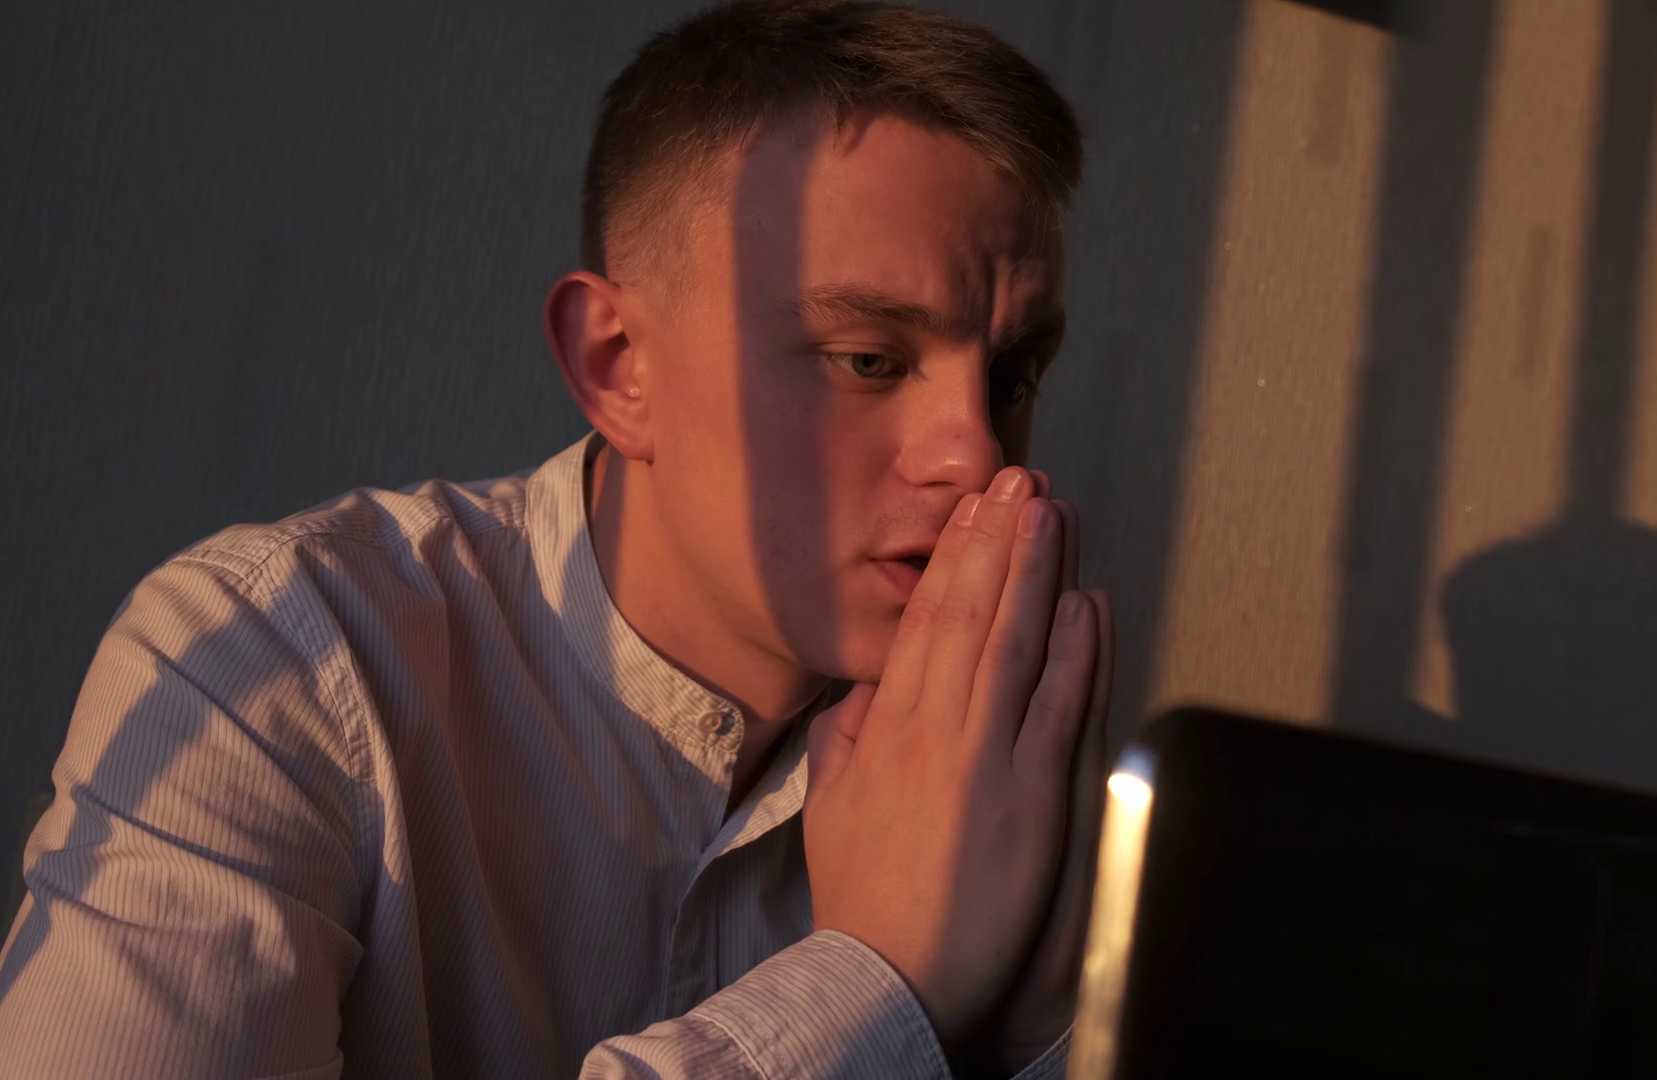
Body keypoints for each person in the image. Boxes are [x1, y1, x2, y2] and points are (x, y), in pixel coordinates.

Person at [0, 2, 1114, 1077]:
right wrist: (873, 982)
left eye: (1013, 377)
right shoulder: (268, 666)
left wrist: (1049, 1037)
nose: (978, 456)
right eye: (868, 358)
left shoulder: (1004, 773)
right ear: (619, 367)